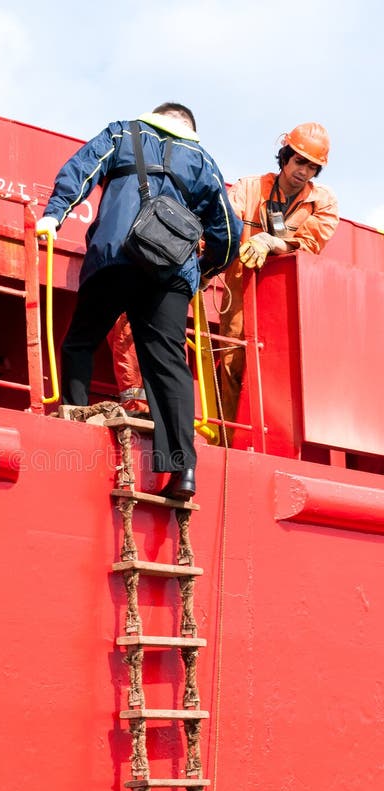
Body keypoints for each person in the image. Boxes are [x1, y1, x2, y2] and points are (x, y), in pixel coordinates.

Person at [36, 103, 241, 499]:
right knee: (168, 367)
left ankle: (77, 424)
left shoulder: (122, 132)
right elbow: (228, 234)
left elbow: (83, 167)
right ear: (189, 128)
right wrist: (202, 272)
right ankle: (182, 471)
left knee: (80, 341)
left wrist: (55, 214)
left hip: (113, 258)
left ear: (155, 116)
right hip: (169, 272)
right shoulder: (203, 161)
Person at [220, 122, 339, 442]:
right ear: (285, 158)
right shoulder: (249, 188)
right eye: (299, 161)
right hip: (241, 288)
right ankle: (228, 437)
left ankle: (271, 440)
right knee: (232, 361)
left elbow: (312, 242)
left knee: (280, 374)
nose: (304, 171)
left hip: (286, 299)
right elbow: (223, 230)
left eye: (312, 166)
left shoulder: (323, 203)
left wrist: (272, 243)